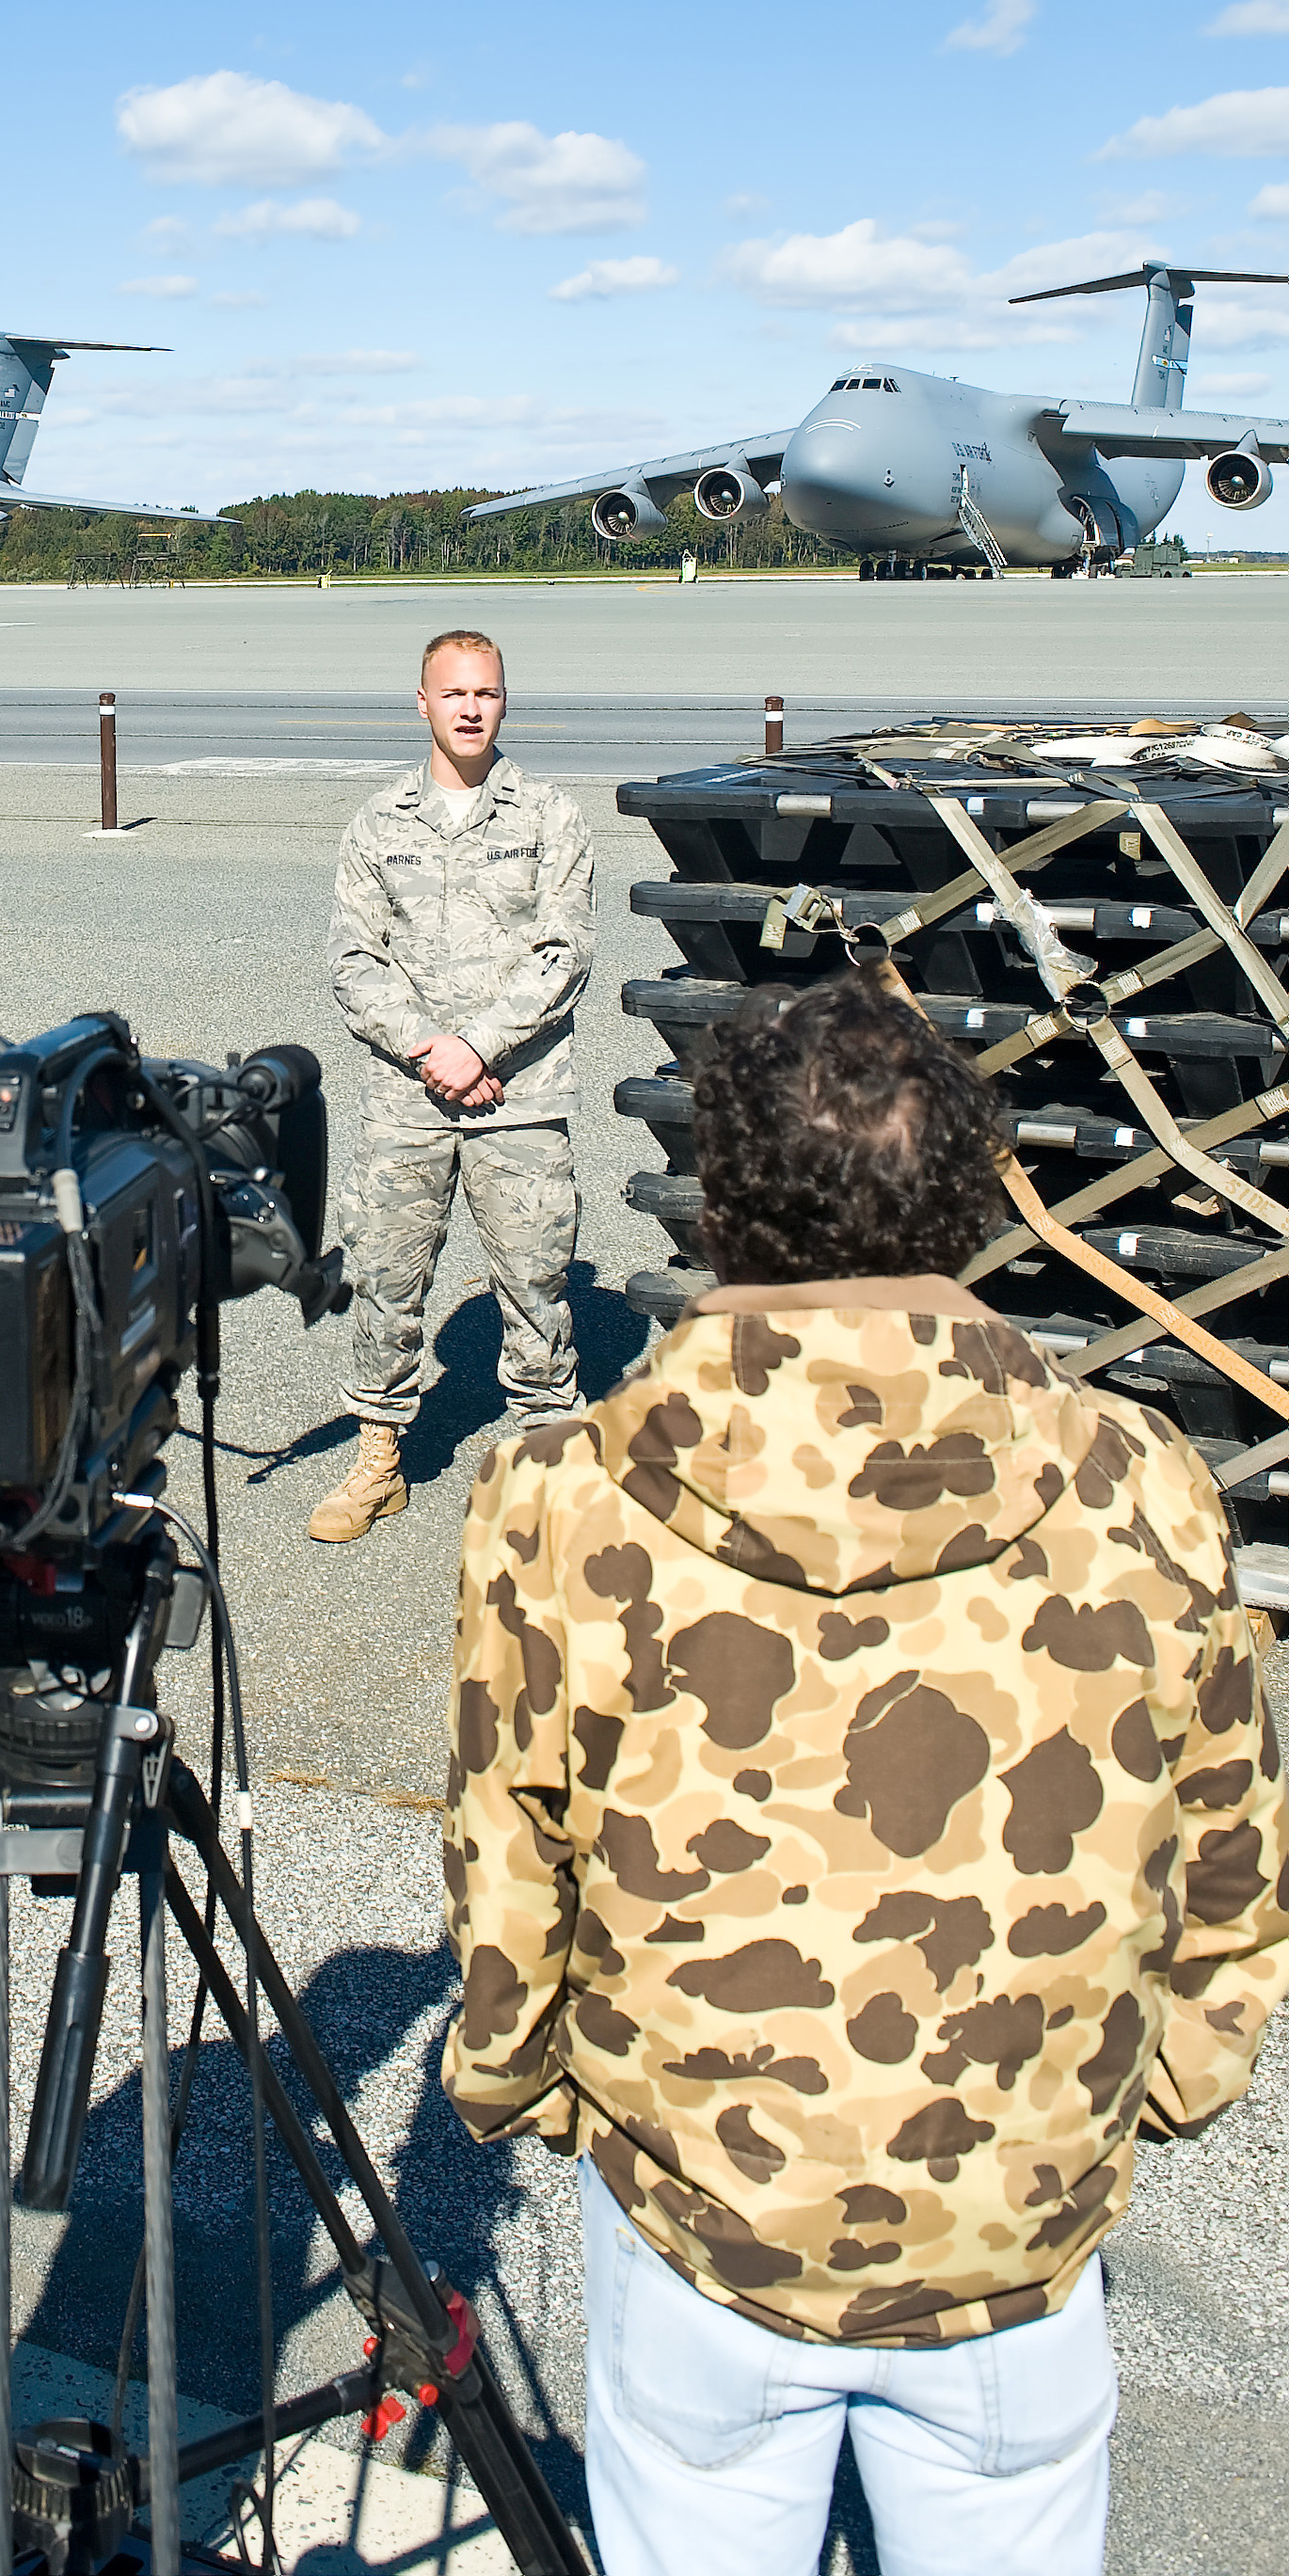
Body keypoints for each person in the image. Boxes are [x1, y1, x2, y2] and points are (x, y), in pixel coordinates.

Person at [442, 969, 1289, 2576]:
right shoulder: (1147, 1488)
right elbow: (1232, 1857)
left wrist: (521, 2089)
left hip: (696, 2208)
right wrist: (1162, 2087)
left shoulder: (563, 1497)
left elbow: (510, 1859)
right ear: (963, 1187)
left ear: (722, 1198)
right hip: (1017, 2221)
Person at [316, 628, 594, 1543]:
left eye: (487, 692)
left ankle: (553, 1472)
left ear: (504, 702)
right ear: (424, 704)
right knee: (386, 1285)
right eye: (455, 693)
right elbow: (355, 963)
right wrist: (431, 1049)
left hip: (520, 1098)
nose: (472, 708)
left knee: (534, 1286)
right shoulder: (378, 821)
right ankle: (380, 1462)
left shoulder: (548, 817)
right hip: (408, 1099)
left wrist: (477, 1047)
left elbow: (564, 956)